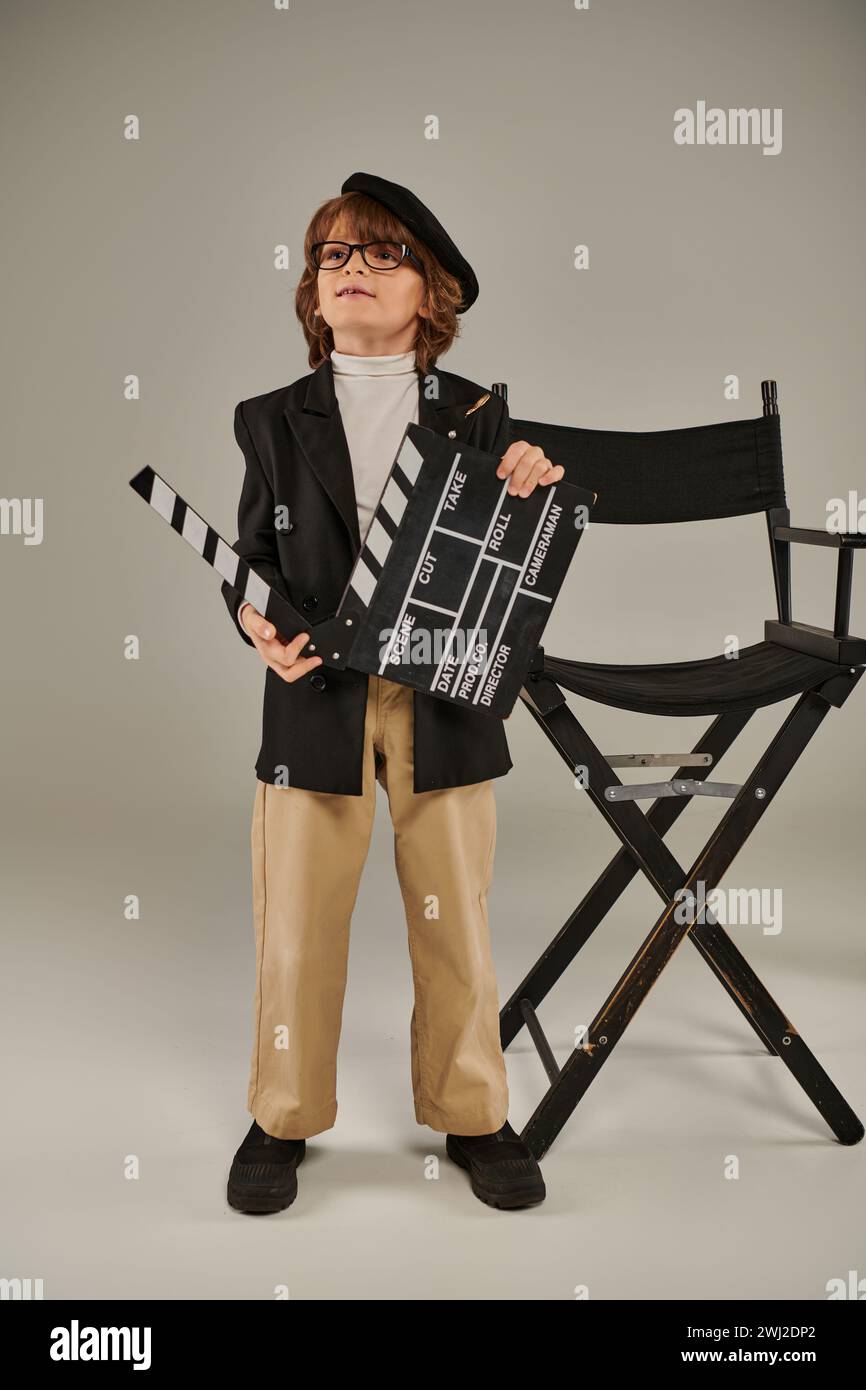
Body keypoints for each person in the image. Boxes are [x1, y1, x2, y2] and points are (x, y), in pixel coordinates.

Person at [224, 173, 563, 1214]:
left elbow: (512, 548)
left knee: (453, 912)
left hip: (443, 700)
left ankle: (471, 1111)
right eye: (335, 256)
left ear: (433, 296)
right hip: (314, 695)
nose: (356, 271)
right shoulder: (271, 419)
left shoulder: (476, 413)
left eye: (383, 255)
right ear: (311, 295)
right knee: (297, 921)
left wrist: (528, 480)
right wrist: (254, 621)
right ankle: (281, 1113)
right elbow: (247, 560)